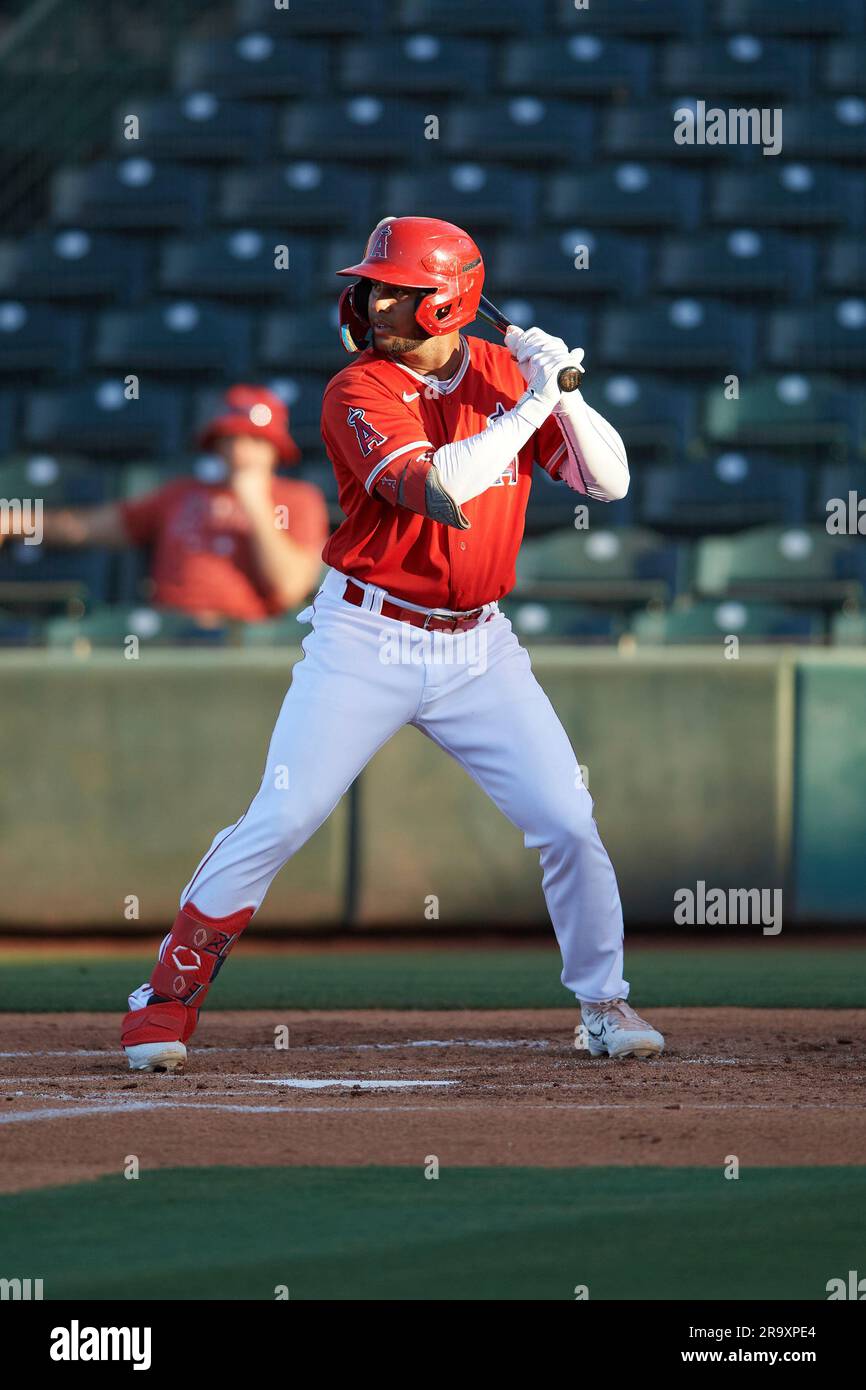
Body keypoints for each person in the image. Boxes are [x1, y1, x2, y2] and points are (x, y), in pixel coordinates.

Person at [120, 216, 664, 1072]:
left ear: (448, 303)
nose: (375, 304)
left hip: (480, 648)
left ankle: (603, 1004)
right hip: (365, 635)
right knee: (285, 812)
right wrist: (531, 404)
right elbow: (442, 488)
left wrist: (565, 393)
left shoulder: (500, 372)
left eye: (398, 292)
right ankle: (164, 1001)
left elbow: (610, 477)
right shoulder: (357, 390)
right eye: (373, 287)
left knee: (566, 820)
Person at [0, 384, 328, 624]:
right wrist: (12, 522)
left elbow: (289, 587)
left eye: (256, 440)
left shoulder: (299, 500)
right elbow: (87, 527)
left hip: (242, 643)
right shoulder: (181, 494)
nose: (241, 450)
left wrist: (255, 504)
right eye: (231, 438)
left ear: (276, 449)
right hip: (169, 635)